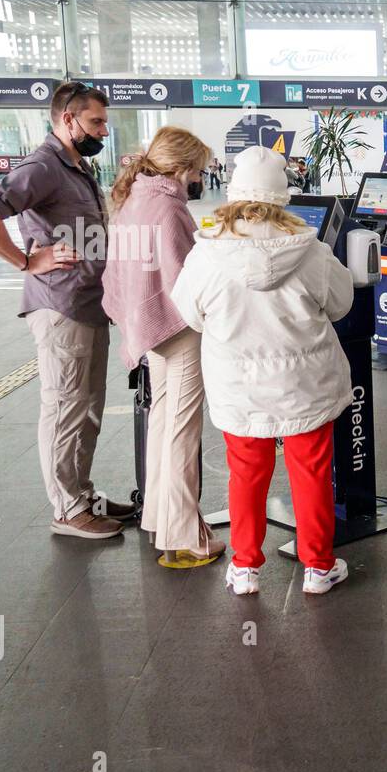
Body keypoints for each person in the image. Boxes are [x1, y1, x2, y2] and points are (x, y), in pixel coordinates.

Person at [171, 145, 354, 596]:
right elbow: (342, 304)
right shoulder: (310, 252)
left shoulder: (207, 255)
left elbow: (189, 316)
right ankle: (318, 568)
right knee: (310, 473)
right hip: (304, 386)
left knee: (246, 474)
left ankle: (246, 567)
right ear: (282, 197)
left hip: (238, 387)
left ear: (231, 196)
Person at [0, 81, 138, 539]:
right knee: (65, 407)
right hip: (60, 304)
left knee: (87, 408)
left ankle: (83, 496)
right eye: (96, 121)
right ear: (68, 119)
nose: (103, 130)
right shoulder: (43, 165)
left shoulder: (75, 166)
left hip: (87, 303)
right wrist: (26, 261)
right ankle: (67, 509)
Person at [102, 126, 223, 567]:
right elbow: (182, 280)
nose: (201, 179)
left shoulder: (134, 198)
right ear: (183, 168)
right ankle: (185, 533)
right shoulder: (168, 207)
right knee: (182, 430)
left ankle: (160, 517)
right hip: (179, 328)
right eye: (200, 171)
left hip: (148, 326)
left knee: (162, 424)